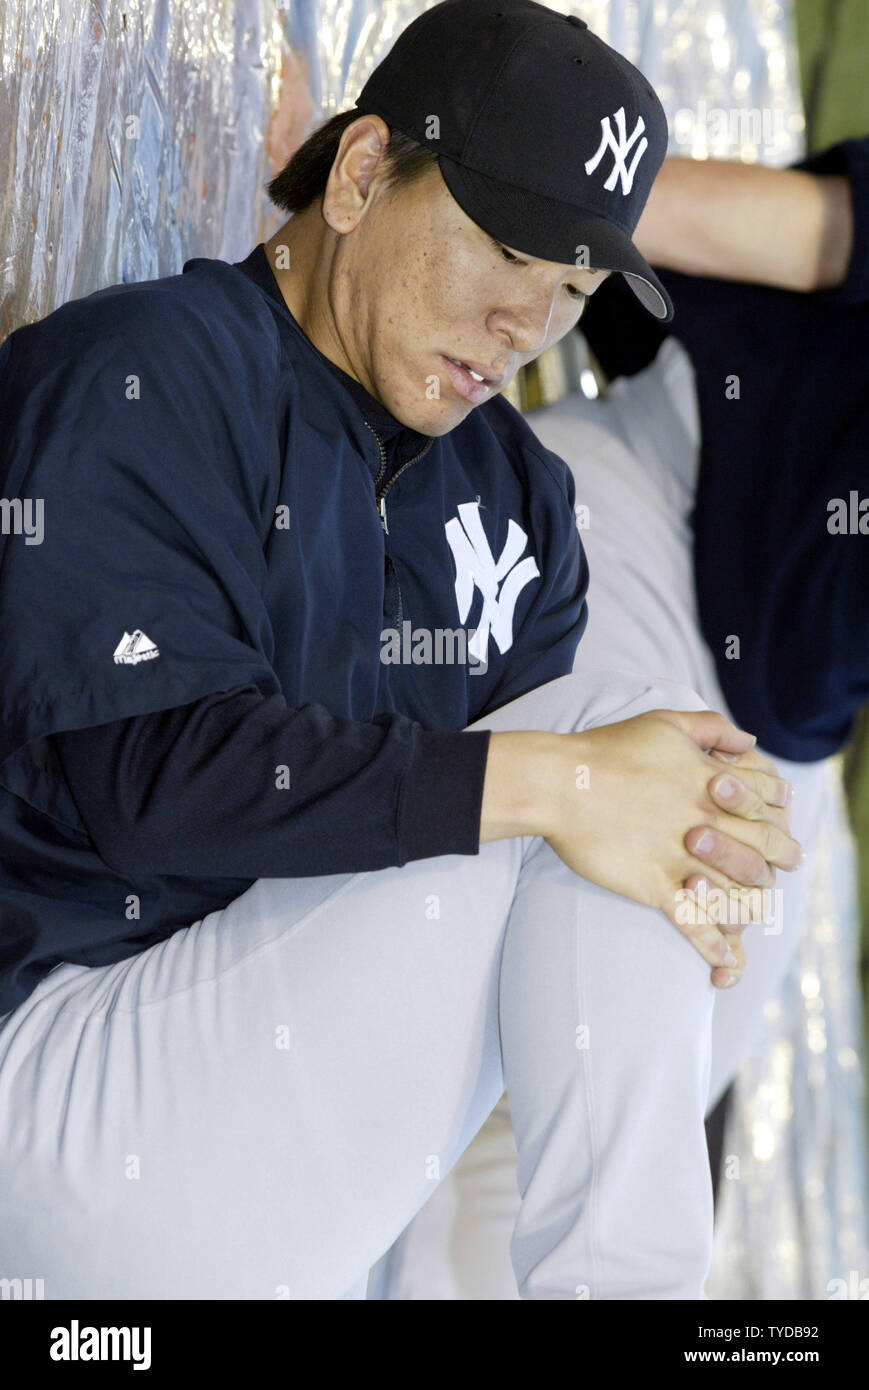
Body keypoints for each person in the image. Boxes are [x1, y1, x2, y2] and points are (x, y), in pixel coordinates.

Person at [0, 0, 802, 1300]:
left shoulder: (517, 500)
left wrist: (674, 831)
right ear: (362, 172)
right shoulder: (145, 371)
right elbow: (154, 784)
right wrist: (564, 783)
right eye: (505, 248)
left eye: (574, 290)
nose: (525, 322)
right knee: (596, 758)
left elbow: (552, 854)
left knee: (659, 769)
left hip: (261, 1118)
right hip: (60, 1082)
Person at [368, 130, 867, 1299]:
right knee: (606, 1018)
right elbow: (630, 205)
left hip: (776, 711)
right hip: (643, 513)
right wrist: (390, 178)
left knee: (677, 1054)